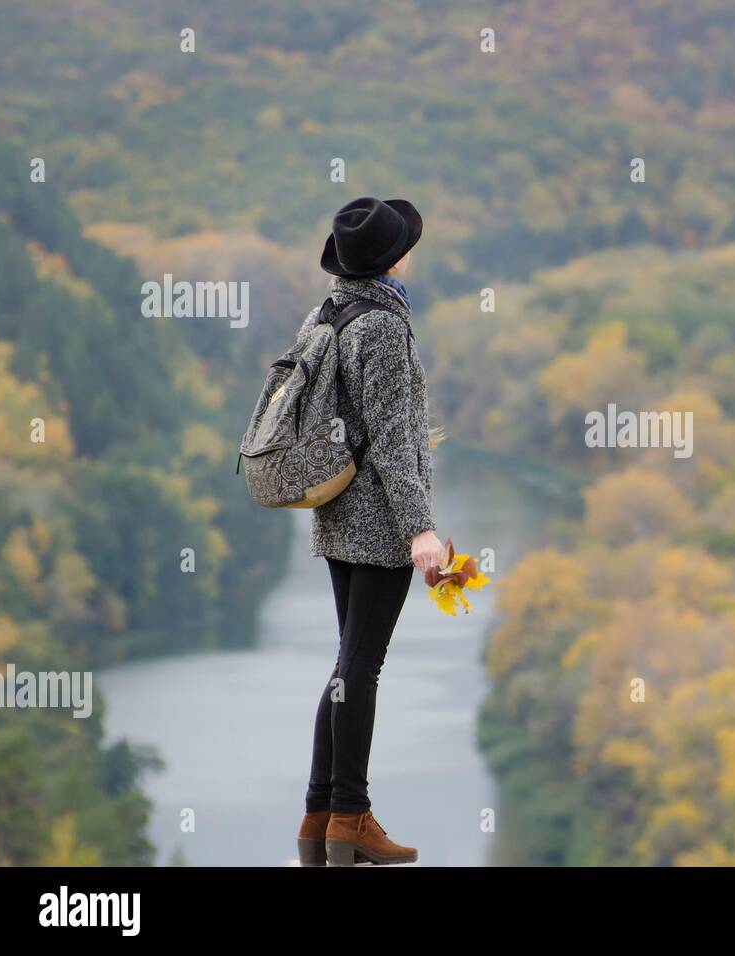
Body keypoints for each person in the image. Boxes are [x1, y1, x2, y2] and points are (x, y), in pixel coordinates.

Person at [294, 197, 447, 866]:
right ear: (392, 259)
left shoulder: (328, 312)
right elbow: (390, 439)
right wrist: (421, 531)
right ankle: (351, 816)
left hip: (335, 513)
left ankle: (321, 810)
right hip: (377, 519)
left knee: (345, 663)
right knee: (363, 664)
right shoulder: (381, 326)